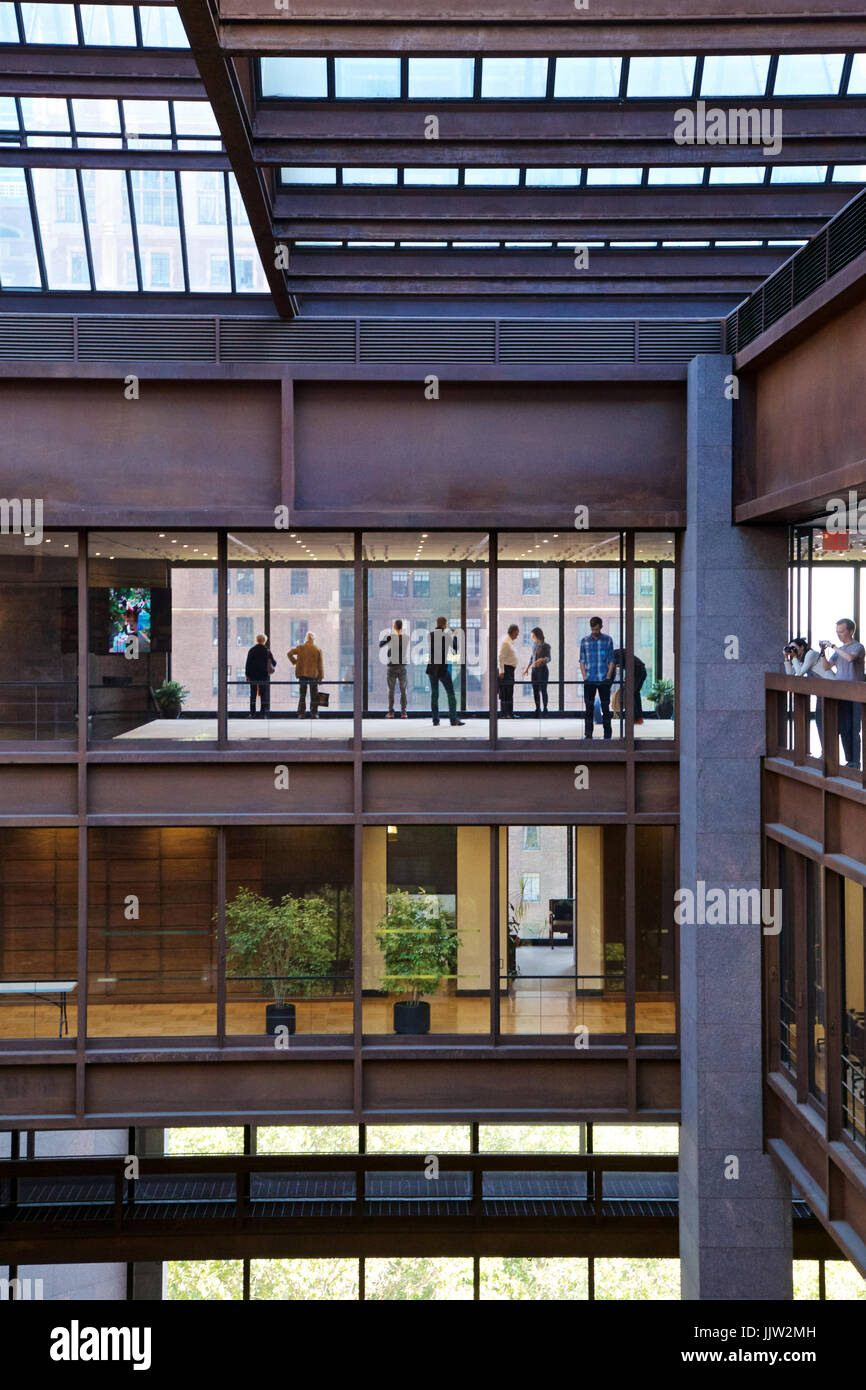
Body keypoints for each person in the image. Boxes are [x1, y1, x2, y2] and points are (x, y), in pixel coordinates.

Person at [819, 619, 865, 767]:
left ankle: (855, 762)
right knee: (844, 727)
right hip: (840, 694)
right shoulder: (838, 651)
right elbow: (826, 667)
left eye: (841, 631)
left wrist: (833, 646)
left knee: (854, 728)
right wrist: (822, 652)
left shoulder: (858, 646)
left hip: (856, 694)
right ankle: (849, 760)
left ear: (851, 631)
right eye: (837, 632)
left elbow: (850, 658)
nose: (838, 634)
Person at [580, 616, 616, 740]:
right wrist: (584, 677)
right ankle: (588, 735)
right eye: (592, 629)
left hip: (603, 679)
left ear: (601, 627)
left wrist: (608, 677)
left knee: (606, 708)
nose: (594, 631)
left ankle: (607, 736)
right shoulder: (584, 641)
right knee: (589, 709)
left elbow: (612, 660)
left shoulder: (608, 640)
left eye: (596, 629)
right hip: (589, 679)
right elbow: (582, 661)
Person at [427, 616, 465, 727]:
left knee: (434, 695)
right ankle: (453, 719)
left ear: (437, 623)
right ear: (445, 625)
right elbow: (456, 648)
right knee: (451, 694)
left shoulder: (431, 635)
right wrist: (455, 635)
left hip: (431, 668)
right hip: (442, 668)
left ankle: (435, 720)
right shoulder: (447, 636)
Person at [288, 630, 324, 718]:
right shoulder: (317, 649)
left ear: (306, 638)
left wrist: (296, 662)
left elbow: (289, 653)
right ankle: (314, 713)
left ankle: (301, 713)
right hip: (313, 674)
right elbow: (320, 665)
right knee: (314, 694)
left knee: (302, 694)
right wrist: (321, 676)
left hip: (302, 673)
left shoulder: (301, 647)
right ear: (314, 639)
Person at [379, 619, 409, 719]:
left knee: (391, 690)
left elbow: (381, 644)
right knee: (403, 689)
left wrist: (387, 635)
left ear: (395, 626)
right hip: (402, 666)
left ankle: (391, 712)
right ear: (402, 627)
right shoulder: (406, 638)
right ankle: (404, 712)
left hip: (392, 666)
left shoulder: (390, 637)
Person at [612, 647, 647, 724]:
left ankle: (634, 718)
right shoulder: (617, 652)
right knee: (635, 693)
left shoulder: (614, 655)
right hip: (642, 670)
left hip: (637, 670)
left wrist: (609, 681)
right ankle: (638, 718)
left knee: (630, 694)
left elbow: (613, 671)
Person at [245, 633, 275, 718]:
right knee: (263, 694)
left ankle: (252, 713)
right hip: (263, 675)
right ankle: (263, 713)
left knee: (253, 694)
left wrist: (247, 675)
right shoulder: (267, 651)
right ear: (264, 640)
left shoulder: (252, 650)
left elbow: (248, 664)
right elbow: (274, 662)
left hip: (253, 675)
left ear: (257, 640)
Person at [523, 626, 552, 716]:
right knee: (535, 690)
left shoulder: (546, 646)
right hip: (534, 671)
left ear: (537, 635)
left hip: (543, 670)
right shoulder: (534, 645)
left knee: (543, 690)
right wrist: (526, 668)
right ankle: (537, 709)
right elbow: (532, 658)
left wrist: (542, 660)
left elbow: (549, 658)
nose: (532, 638)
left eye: (533, 636)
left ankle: (545, 709)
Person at [498, 623, 520, 718]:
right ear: (513, 632)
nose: (518, 635)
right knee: (505, 692)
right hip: (506, 670)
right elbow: (500, 657)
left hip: (510, 670)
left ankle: (509, 713)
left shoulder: (510, 641)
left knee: (509, 692)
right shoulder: (506, 642)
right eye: (517, 633)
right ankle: (505, 713)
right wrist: (502, 671)